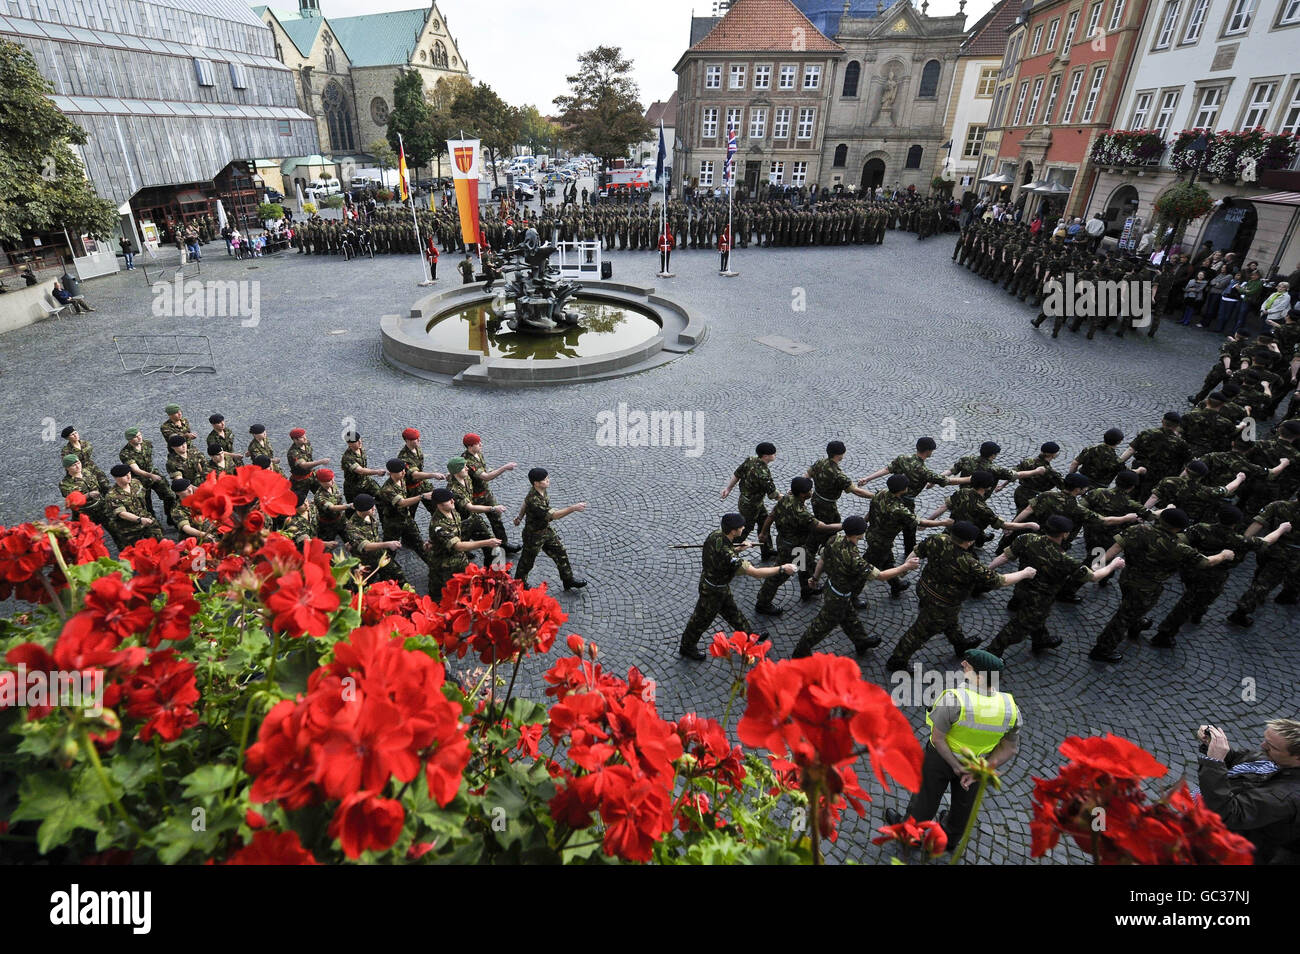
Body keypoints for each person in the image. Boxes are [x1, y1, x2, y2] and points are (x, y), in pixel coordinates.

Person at [884, 650, 1020, 848]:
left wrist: (956, 767)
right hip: (977, 762)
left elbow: (938, 739)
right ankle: (949, 840)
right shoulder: (1010, 707)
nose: (963, 663)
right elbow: (1010, 748)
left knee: (926, 798)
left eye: (969, 666)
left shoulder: (954, 699)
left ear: (980, 677)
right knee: (964, 805)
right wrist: (980, 770)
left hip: (940, 758)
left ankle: (911, 836)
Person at [884, 521, 1038, 672]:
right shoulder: (969, 563)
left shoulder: (937, 539)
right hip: (942, 603)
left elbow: (916, 552)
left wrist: (904, 569)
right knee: (919, 632)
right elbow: (1000, 581)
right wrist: (1024, 573)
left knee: (950, 621)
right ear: (970, 542)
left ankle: (960, 644)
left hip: (925, 589)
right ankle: (897, 660)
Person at [1088, 508, 1235, 662]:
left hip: (1127, 577)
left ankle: (1136, 623)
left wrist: (1097, 567)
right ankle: (1102, 650)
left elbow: (1114, 549)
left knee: (1130, 606)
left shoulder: (1137, 529)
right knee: (1124, 617)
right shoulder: (1178, 548)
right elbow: (1207, 562)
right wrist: (1224, 555)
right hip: (1148, 587)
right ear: (1178, 528)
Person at [792, 516, 921, 658]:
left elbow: (823, 559)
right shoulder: (854, 559)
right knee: (821, 626)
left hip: (832, 587)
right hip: (838, 597)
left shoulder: (834, 539)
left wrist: (815, 578)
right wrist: (906, 566)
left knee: (849, 616)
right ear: (858, 534)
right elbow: (881, 576)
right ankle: (801, 651)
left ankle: (861, 641)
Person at [678, 513, 795, 661]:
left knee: (733, 613)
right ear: (733, 531)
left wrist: (740, 548)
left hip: (716, 585)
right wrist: (782, 568)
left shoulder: (716, 535)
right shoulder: (729, 556)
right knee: (701, 620)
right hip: (713, 592)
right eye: (741, 527)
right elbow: (756, 573)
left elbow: (725, 551)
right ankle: (687, 647)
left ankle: (749, 635)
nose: (744, 528)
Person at [1196, 719, 1300, 864]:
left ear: (1297, 757)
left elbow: (1229, 812)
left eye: (1271, 747)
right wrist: (1214, 746)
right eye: (1265, 740)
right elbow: (1238, 760)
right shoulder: (1276, 758)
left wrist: (1214, 763)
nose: (1262, 746)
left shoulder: (1286, 796)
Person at [513, 467, 587, 590]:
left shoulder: (540, 490)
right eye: (545, 479)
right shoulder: (535, 500)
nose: (548, 481)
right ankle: (518, 584)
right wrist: (573, 508)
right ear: (536, 483)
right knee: (527, 562)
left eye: (548, 478)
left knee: (560, 552)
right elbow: (554, 515)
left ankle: (568, 580)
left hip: (545, 531)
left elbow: (524, 502)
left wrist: (519, 517)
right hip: (533, 536)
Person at [722, 442, 780, 560]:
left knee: (764, 523)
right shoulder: (763, 473)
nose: (775, 454)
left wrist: (728, 488)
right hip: (751, 506)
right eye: (773, 453)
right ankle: (728, 553)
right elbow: (773, 494)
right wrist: (788, 498)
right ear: (765, 456)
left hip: (748, 501)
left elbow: (737, 474)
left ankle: (766, 550)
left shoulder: (750, 460)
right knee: (743, 530)